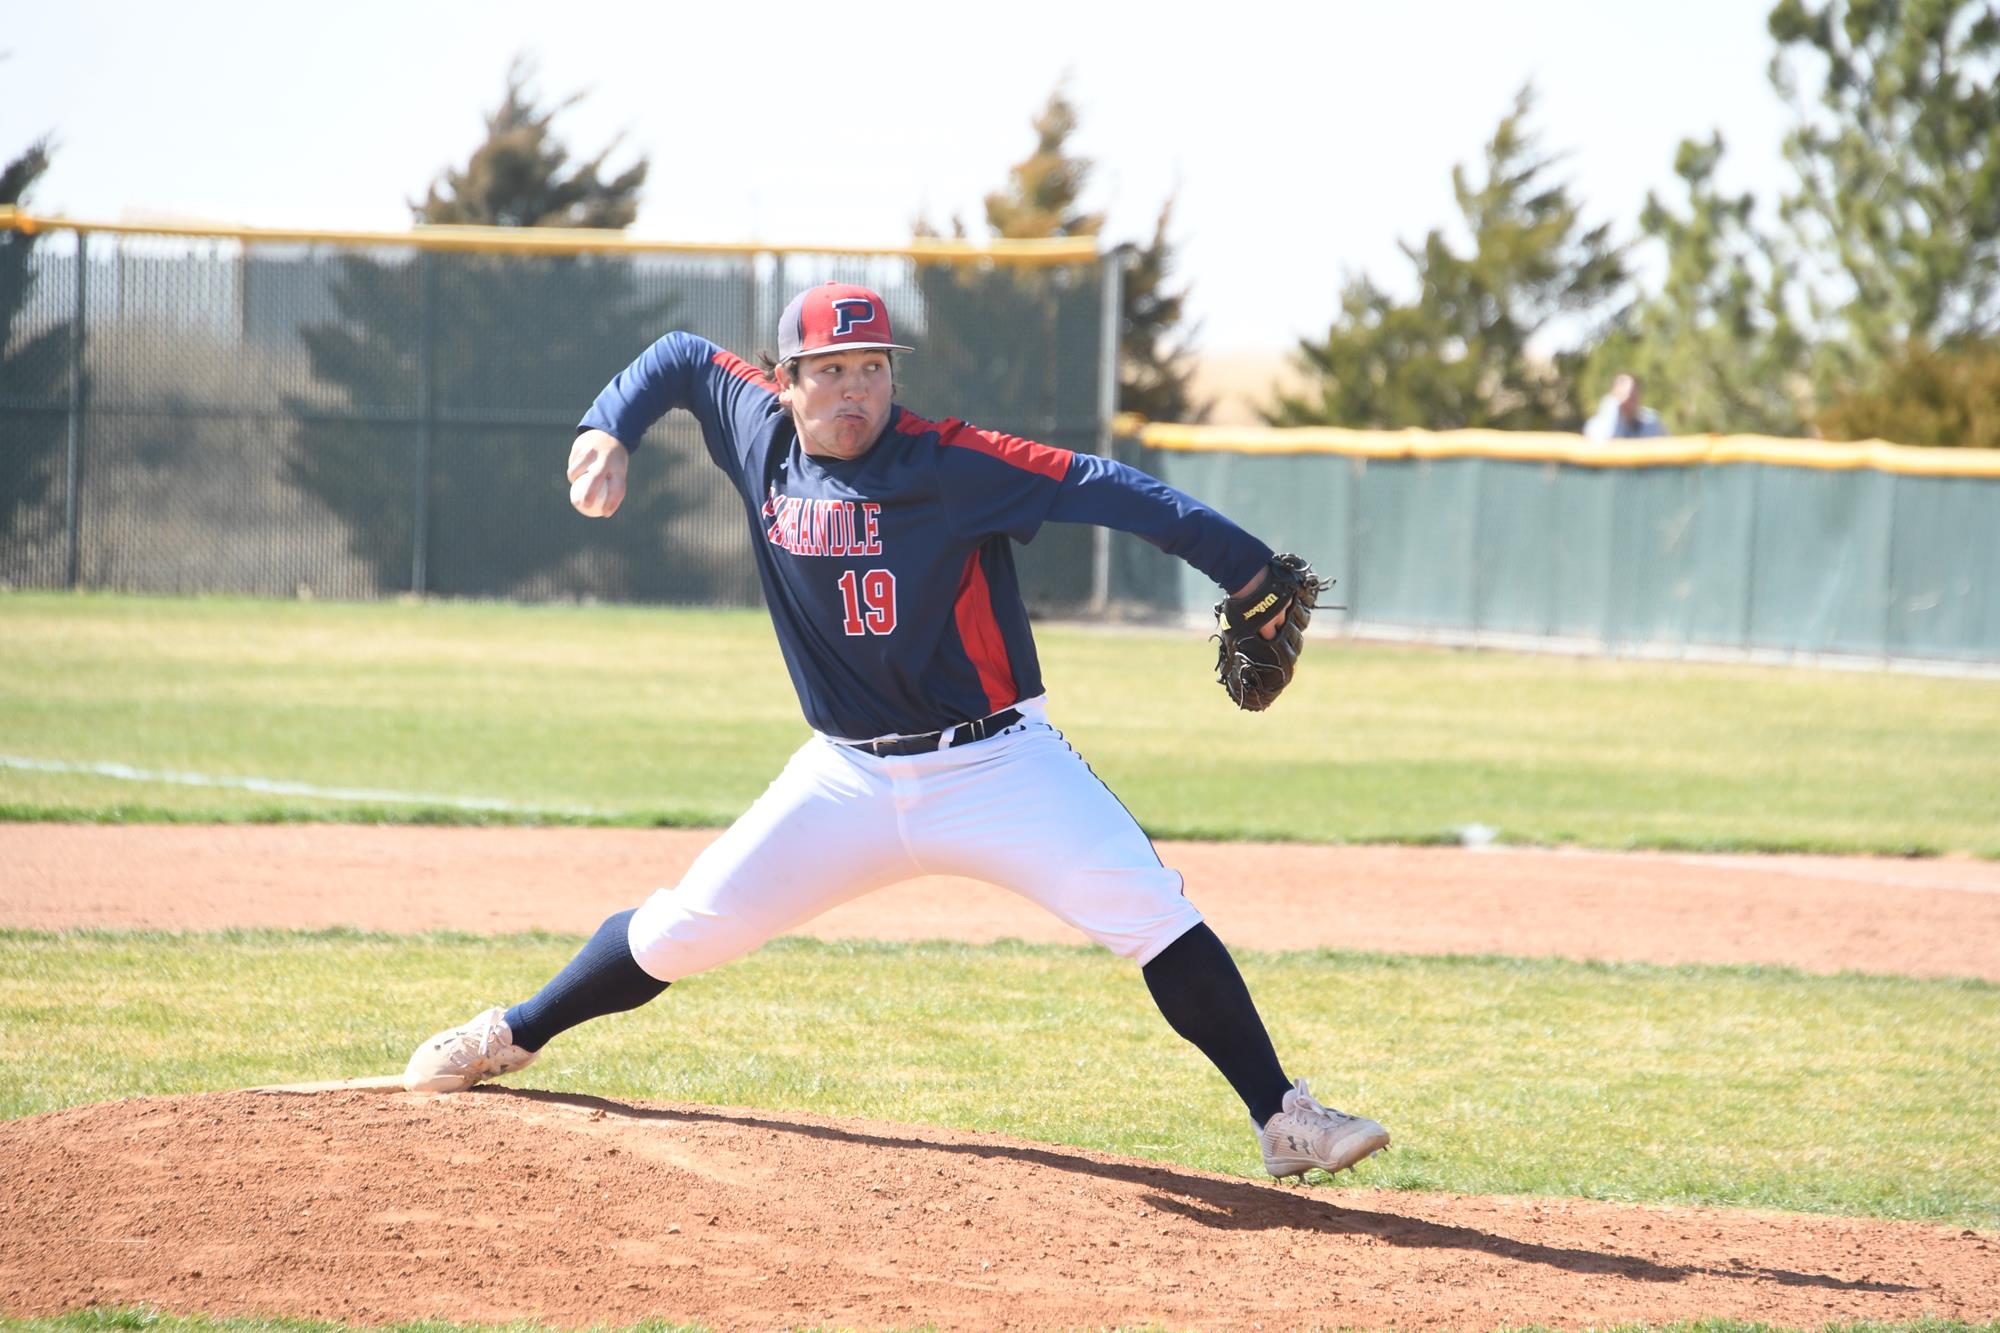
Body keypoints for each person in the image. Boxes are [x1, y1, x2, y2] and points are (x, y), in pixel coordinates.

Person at [403, 282, 1390, 1181]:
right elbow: (672, 355)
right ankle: (511, 1033)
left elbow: (1106, 487)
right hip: (842, 779)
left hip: (997, 762)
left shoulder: (950, 463)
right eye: (829, 372)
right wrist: (605, 427)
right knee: (682, 929)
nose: (854, 391)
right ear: (784, 381)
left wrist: (1249, 570)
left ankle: (1282, 1116)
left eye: (871, 368)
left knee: (1147, 908)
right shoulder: (756, 433)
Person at [1583, 373, 1667, 440]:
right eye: (1624, 394)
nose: (1628, 399)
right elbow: (1605, 442)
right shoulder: (1596, 425)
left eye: (1633, 395)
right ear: (1613, 393)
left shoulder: (1651, 421)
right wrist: (1612, 406)